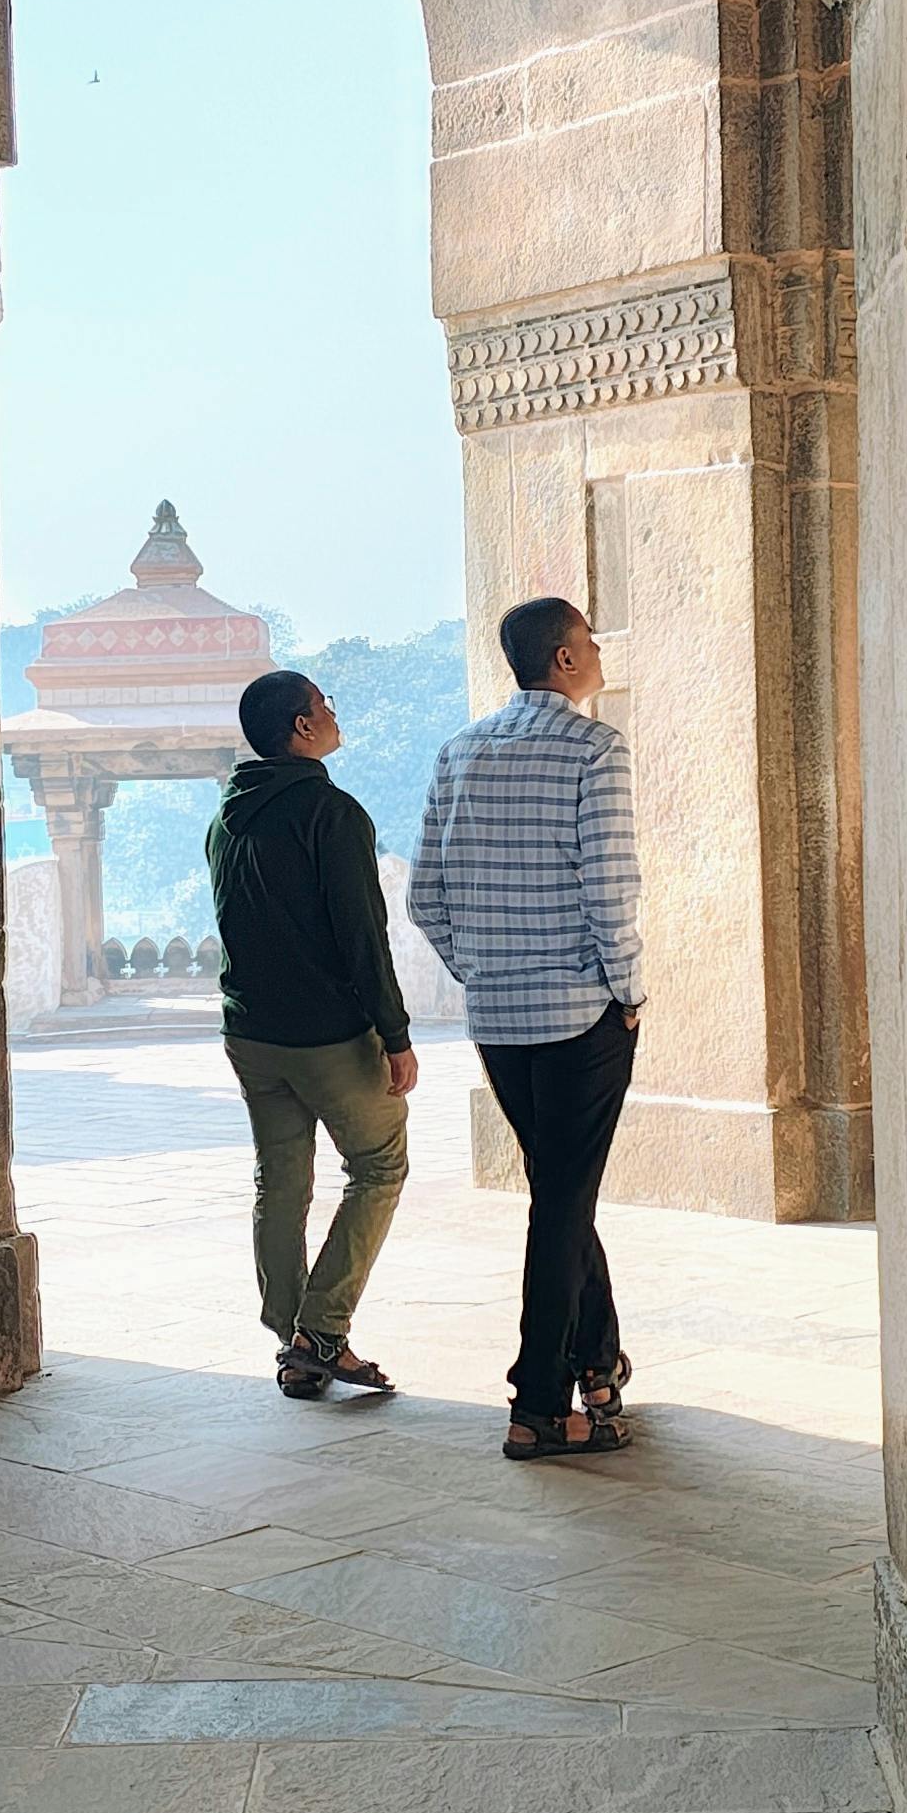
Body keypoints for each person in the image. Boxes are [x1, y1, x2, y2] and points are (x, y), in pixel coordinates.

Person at [408, 596, 642, 1458]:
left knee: (561, 1192)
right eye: (590, 639)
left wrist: (484, 971)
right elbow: (610, 889)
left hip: (500, 1017)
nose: (598, 650)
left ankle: (599, 1361)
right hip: (583, 1013)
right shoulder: (595, 751)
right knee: (560, 1200)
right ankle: (537, 1402)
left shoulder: (459, 751)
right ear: (567, 659)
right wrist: (628, 990)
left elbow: (424, 897)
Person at [206, 667, 419, 1400]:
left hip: (250, 1034)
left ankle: (292, 1342)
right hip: (327, 1037)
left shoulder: (226, 817)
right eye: (324, 705)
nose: (332, 714)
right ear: (302, 728)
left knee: (282, 1179)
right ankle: (320, 1333)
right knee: (378, 1168)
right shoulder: (331, 812)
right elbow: (363, 936)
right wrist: (395, 1034)